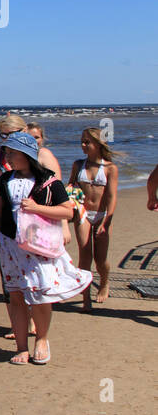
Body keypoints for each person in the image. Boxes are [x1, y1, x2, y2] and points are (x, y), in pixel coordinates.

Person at [0, 132, 91, 364]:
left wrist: (37, 208)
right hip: (10, 245)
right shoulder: (4, 180)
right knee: (16, 295)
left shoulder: (49, 181)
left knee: (40, 295)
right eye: (7, 152)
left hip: (39, 246)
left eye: (12, 153)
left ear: (26, 155)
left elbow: (67, 211)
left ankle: (41, 339)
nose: (7, 156)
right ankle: (21, 347)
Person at [68, 127, 119, 309]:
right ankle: (86, 298)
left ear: (98, 144)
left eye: (87, 142)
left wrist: (107, 221)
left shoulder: (110, 168)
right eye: (82, 141)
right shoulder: (78, 165)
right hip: (83, 213)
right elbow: (71, 186)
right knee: (84, 255)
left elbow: (112, 197)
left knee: (100, 259)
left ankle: (104, 282)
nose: (83, 145)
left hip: (102, 215)